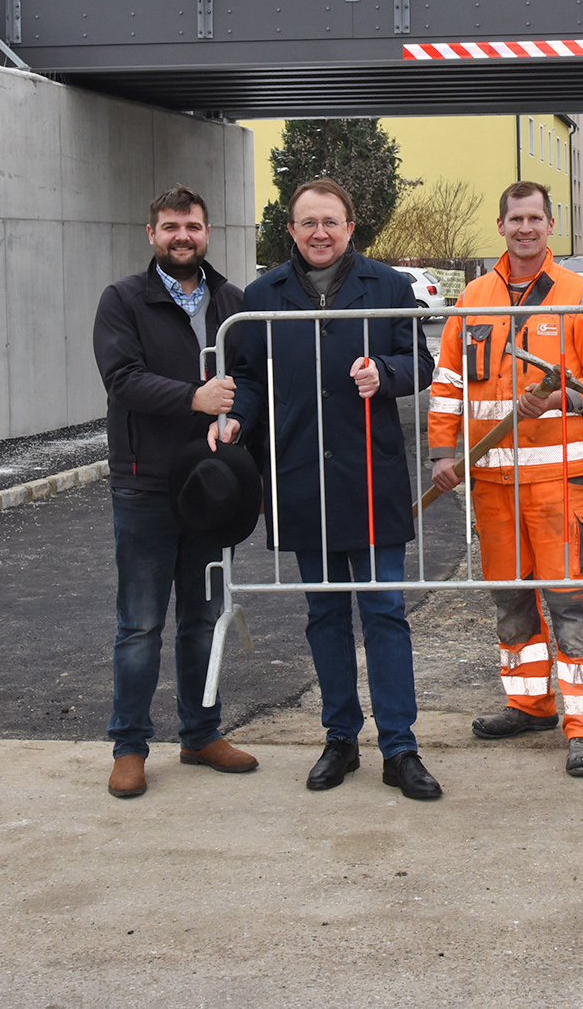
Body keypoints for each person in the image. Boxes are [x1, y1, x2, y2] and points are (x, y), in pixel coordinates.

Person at [219, 178, 442, 801]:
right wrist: (238, 417)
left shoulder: (389, 287)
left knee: (384, 613)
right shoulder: (262, 296)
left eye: (332, 222)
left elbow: (420, 362)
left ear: (351, 228)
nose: (320, 233)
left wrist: (388, 374)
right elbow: (247, 376)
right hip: (300, 476)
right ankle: (340, 737)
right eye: (308, 222)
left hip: (371, 475)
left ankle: (400, 747)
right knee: (324, 614)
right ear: (290, 230)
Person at [429, 181, 583, 778]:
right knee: (511, 603)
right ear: (501, 224)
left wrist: (561, 397)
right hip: (490, 485)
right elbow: (449, 383)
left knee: (570, 604)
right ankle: (529, 704)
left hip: (561, 485)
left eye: (536, 218)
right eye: (516, 218)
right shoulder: (475, 301)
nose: (526, 228)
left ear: (550, 224)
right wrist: (442, 450)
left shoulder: (581, 297)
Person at [91, 184, 259, 799]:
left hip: (212, 488)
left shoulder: (230, 300)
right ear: (151, 234)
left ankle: (201, 734)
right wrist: (194, 396)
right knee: (139, 624)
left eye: (191, 226)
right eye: (169, 227)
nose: (181, 236)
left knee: (204, 616)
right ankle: (129, 746)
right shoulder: (123, 301)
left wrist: (239, 416)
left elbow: (248, 378)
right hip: (146, 483)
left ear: (206, 232)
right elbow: (122, 380)